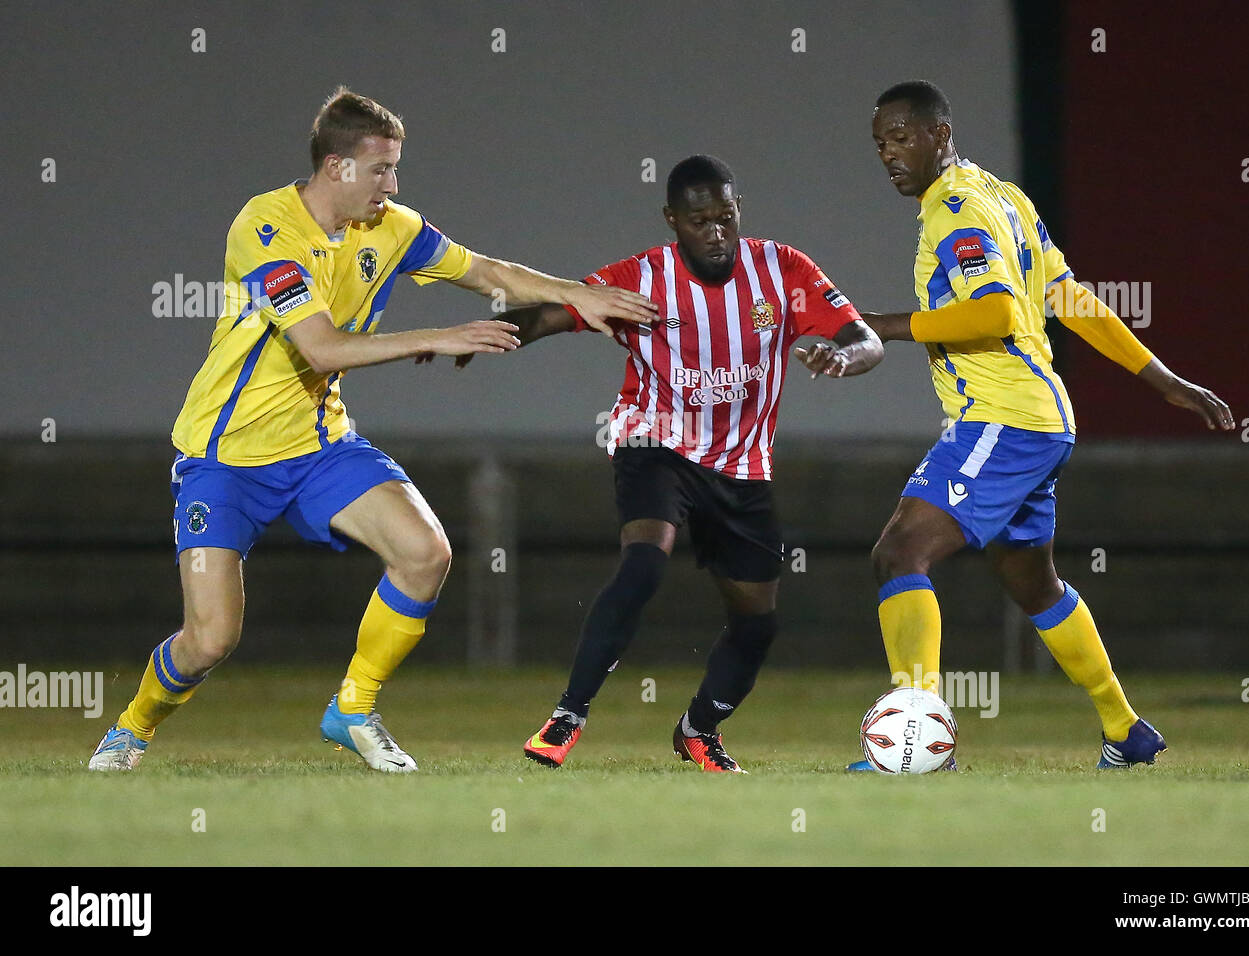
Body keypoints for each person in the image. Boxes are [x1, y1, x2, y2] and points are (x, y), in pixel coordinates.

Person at [88, 86, 656, 773]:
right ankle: (132, 727)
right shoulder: (266, 229)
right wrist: (441, 335)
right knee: (209, 640)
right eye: (380, 168)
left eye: (396, 169)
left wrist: (578, 293)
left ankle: (352, 708)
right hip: (223, 457)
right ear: (336, 168)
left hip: (321, 447)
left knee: (425, 553)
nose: (392, 185)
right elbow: (320, 348)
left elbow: (486, 271)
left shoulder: (391, 228)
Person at [835, 81, 1234, 771]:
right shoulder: (1007, 197)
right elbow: (1070, 299)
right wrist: (1162, 379)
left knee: (900, 552)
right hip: (1042, 421)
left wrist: (886, 326)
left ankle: (916, 735)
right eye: (879, 144)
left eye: (901, 138)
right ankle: (1125, 729)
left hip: (1002, 417)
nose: (889, 155)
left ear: (939, 133)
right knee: (1032, 583)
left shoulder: (954, 211)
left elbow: (990, 313)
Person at [459, 154, 883, 772]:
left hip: (741, 466)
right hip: (654, 441)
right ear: (672, 221)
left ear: (738, 210)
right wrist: (489, 334)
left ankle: (698, 729)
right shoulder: (642, 281)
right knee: (643, 564)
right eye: (699, 219)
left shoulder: (782, 269)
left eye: (725, 216)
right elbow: (557, 313)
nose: (715, 231)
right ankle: (568, 714)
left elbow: (862, 337)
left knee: (756, 624)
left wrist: (846, 359)